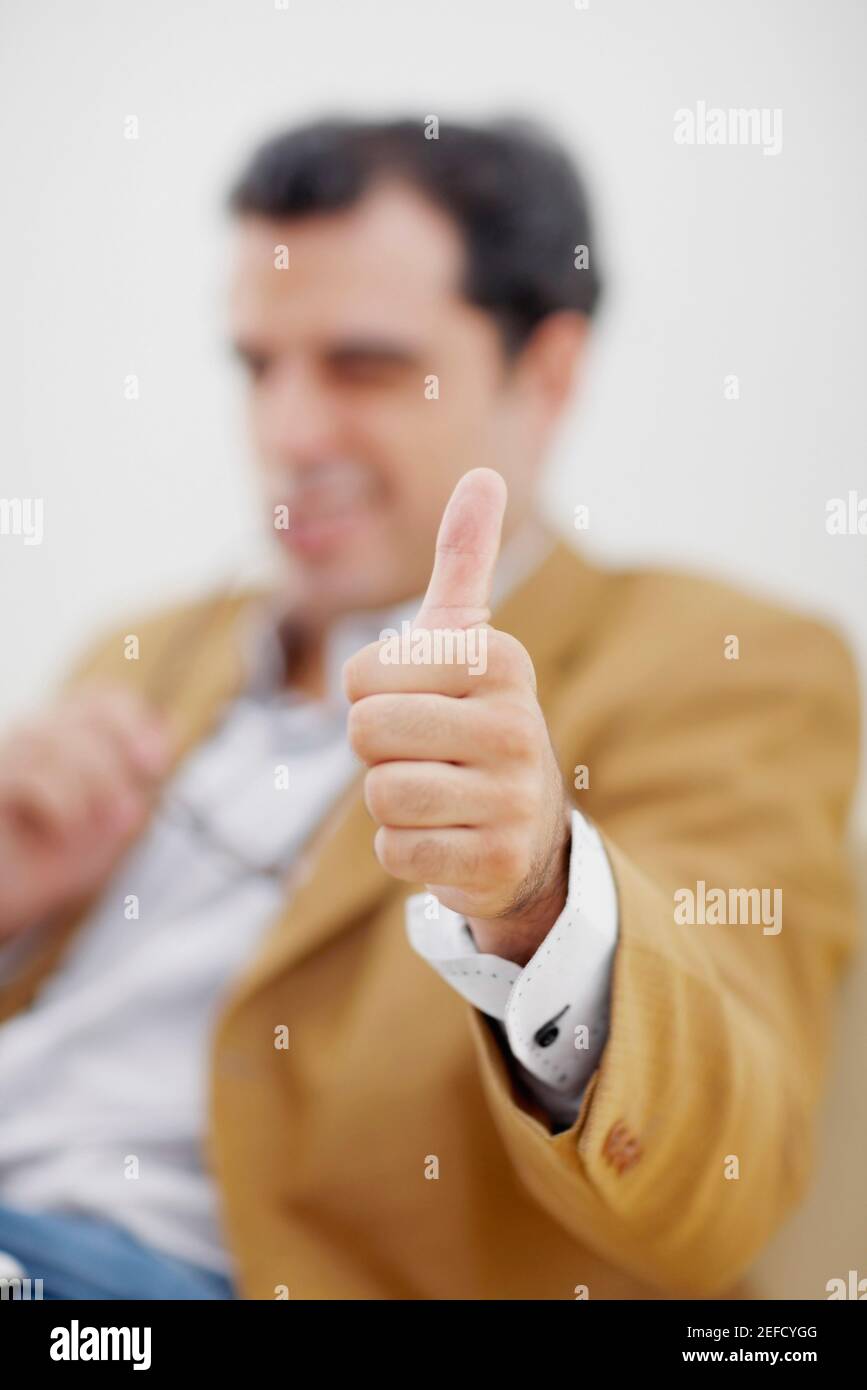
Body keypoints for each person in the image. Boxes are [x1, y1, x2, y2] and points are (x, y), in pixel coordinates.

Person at [0, 117, 859, 1301]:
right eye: (258, 366)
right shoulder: (140, 653)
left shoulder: (722, 665)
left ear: (546, 372)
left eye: (364, 365)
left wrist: (545, 897)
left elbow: (728, 1174)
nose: (287, 433)